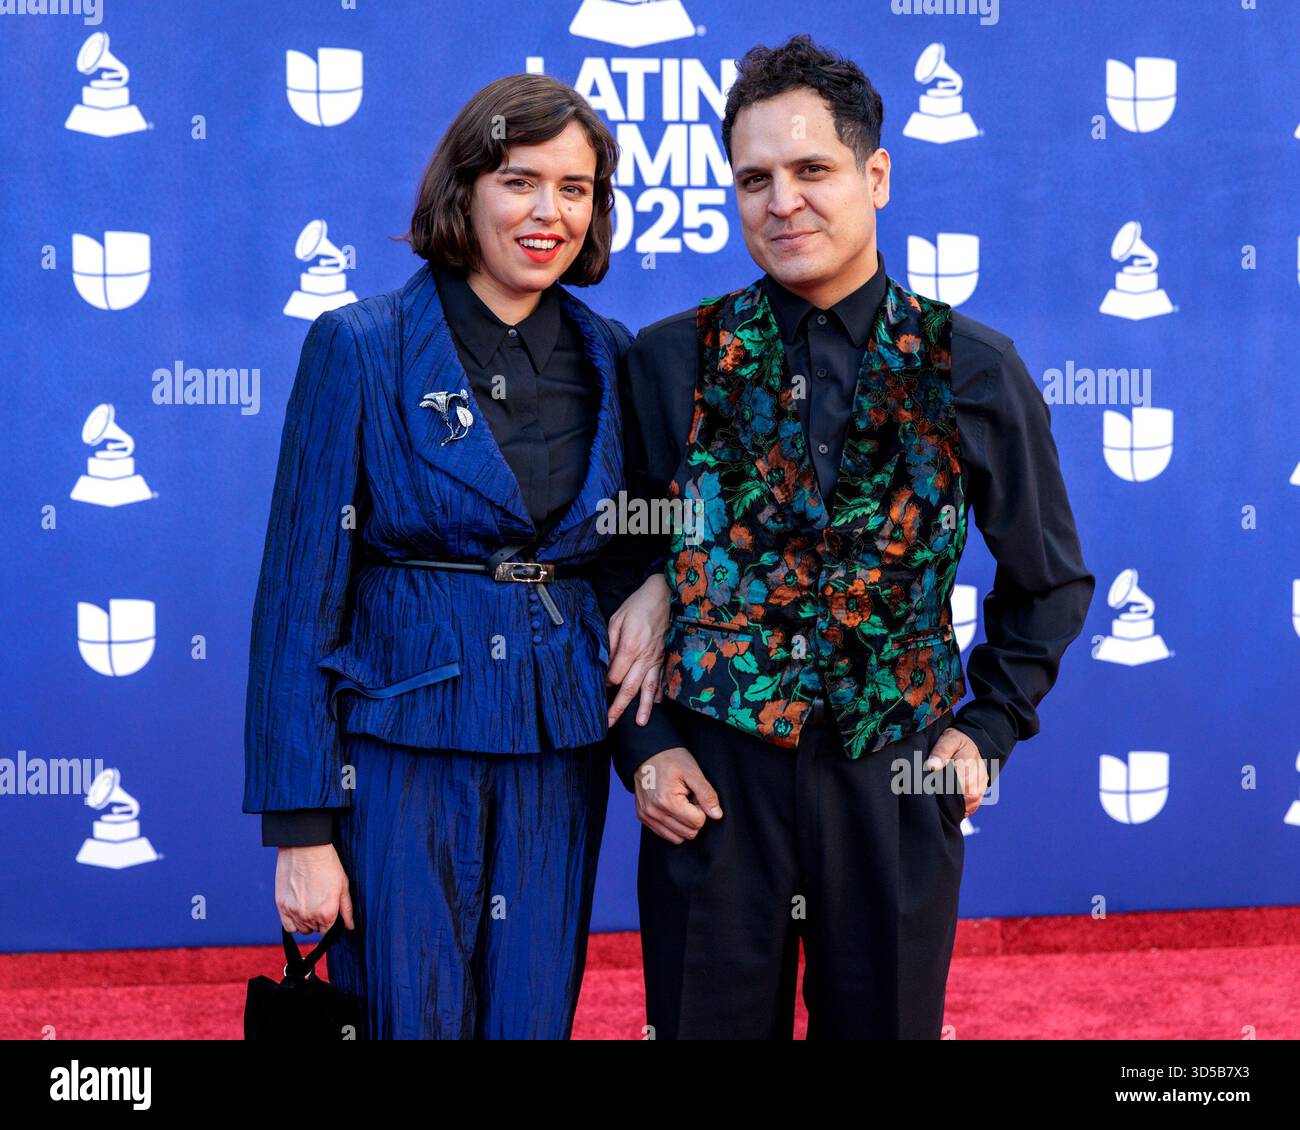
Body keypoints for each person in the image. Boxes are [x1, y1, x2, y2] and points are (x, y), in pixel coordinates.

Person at [610, 34, 1096, 1039]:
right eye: (753, 178)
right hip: (713, 779)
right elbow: (617, 565)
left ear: (874, 175)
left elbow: (1046, 578)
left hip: (895, 775)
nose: (780, 200)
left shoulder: (973, 367)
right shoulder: (667, 361)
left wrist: (986, 729)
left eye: (811, 170)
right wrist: (646, 747)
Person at [243, 72, 665, 1039]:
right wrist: (301, 832)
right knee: (408, 1017)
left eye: (576, 188)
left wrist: (665, 584)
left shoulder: (614, 353)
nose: (548, 212)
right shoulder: (361, 345)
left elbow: (638, 533)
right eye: (521, 181)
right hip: (399, 741)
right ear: (465, 188)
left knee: (529, 1018)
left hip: (558, 741)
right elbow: (298, 594)